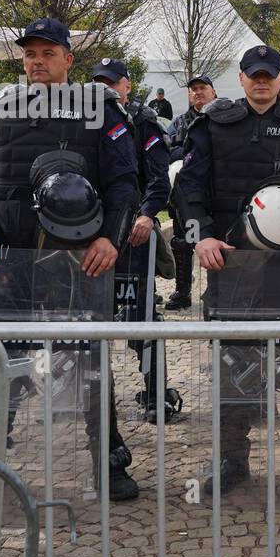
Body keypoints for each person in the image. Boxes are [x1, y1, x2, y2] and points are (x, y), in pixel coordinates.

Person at [0, 18, 141, 502]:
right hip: (8, 263)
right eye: (31, 53)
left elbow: (124, 184)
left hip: (78, 263)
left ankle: (109, 462)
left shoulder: (101, 109)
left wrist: (111, 239)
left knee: (90, 364)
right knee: (1, 364)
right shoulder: (2, 110)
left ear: (68, 59)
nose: (37, 61)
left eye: (48, 53)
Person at [172, 44, 280, 496]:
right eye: (254, 75)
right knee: (235, 369)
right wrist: (201, 235)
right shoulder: (213, 125)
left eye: (269, 75)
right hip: (234, 268)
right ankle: (231, 460)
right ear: (242, 79)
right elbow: (187, 188)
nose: (262, 82)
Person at [92, 58, 179, 421]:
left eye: (113, 82)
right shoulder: (85, 117)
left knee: (139, 317)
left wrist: (146, 215)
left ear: (128, 85)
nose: (107, 87)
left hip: (132, 234)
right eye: (99, 81)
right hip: (91, 234)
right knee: (82, 322)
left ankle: (156, 393)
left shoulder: (143, 122)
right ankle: (89, 398)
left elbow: (158, 178)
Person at [164, 75, 216, 310]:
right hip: (185, 194)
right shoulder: (179, 123)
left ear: (213, 91)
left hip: (217, 193)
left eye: (202, 88)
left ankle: (216, 290)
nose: (198, 93)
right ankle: (182, 291)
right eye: (193, 89)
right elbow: (167, 150)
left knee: (219, 241)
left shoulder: (224, 117)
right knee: (182, 242)